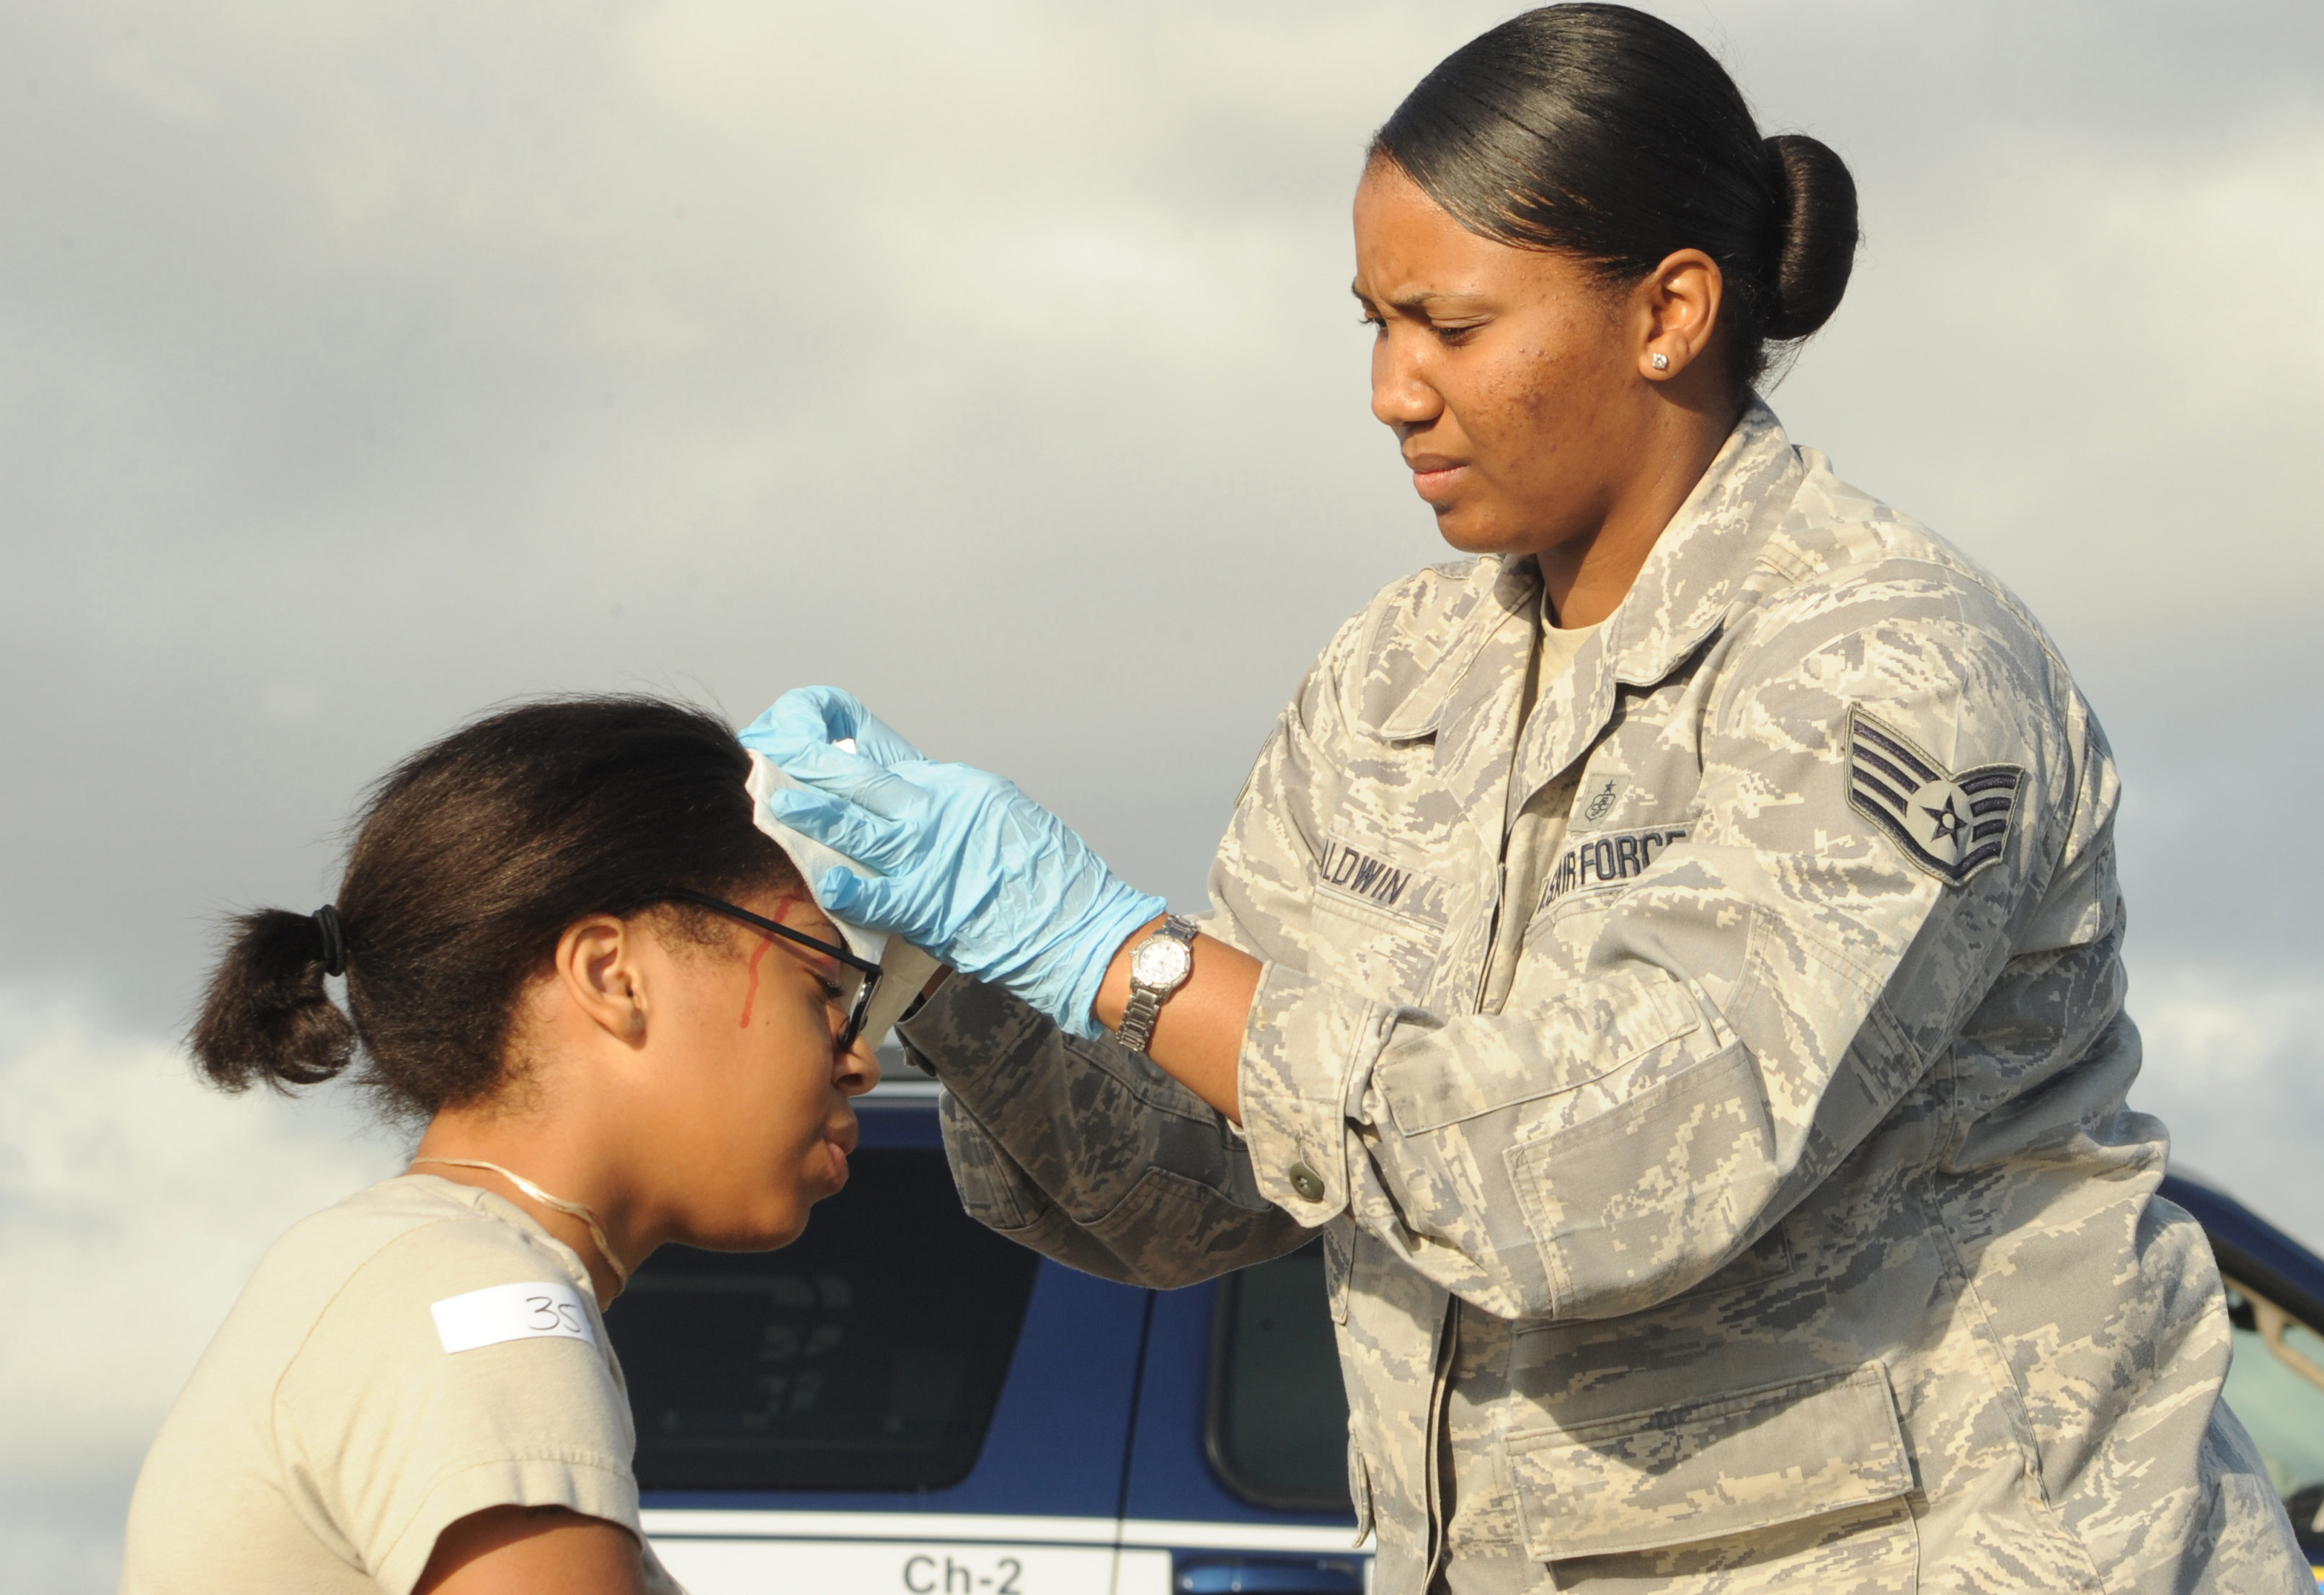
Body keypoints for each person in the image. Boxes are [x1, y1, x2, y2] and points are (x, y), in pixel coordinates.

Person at [743, 6, 2309, 1593]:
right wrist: (953, 958)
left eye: (1449, 325)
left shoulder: (1889, 665)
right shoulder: (1395, 676)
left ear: (1669, 312)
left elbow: (1613, 1180)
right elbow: (1197, 1188)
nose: (1390, 391)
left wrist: (1109, 948)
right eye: (1370, 322)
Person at [122, 697, 879, 1595]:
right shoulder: (479, 1299)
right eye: (822, 985)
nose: (859, 1060)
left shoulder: (428, 1270)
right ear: (611, 974)